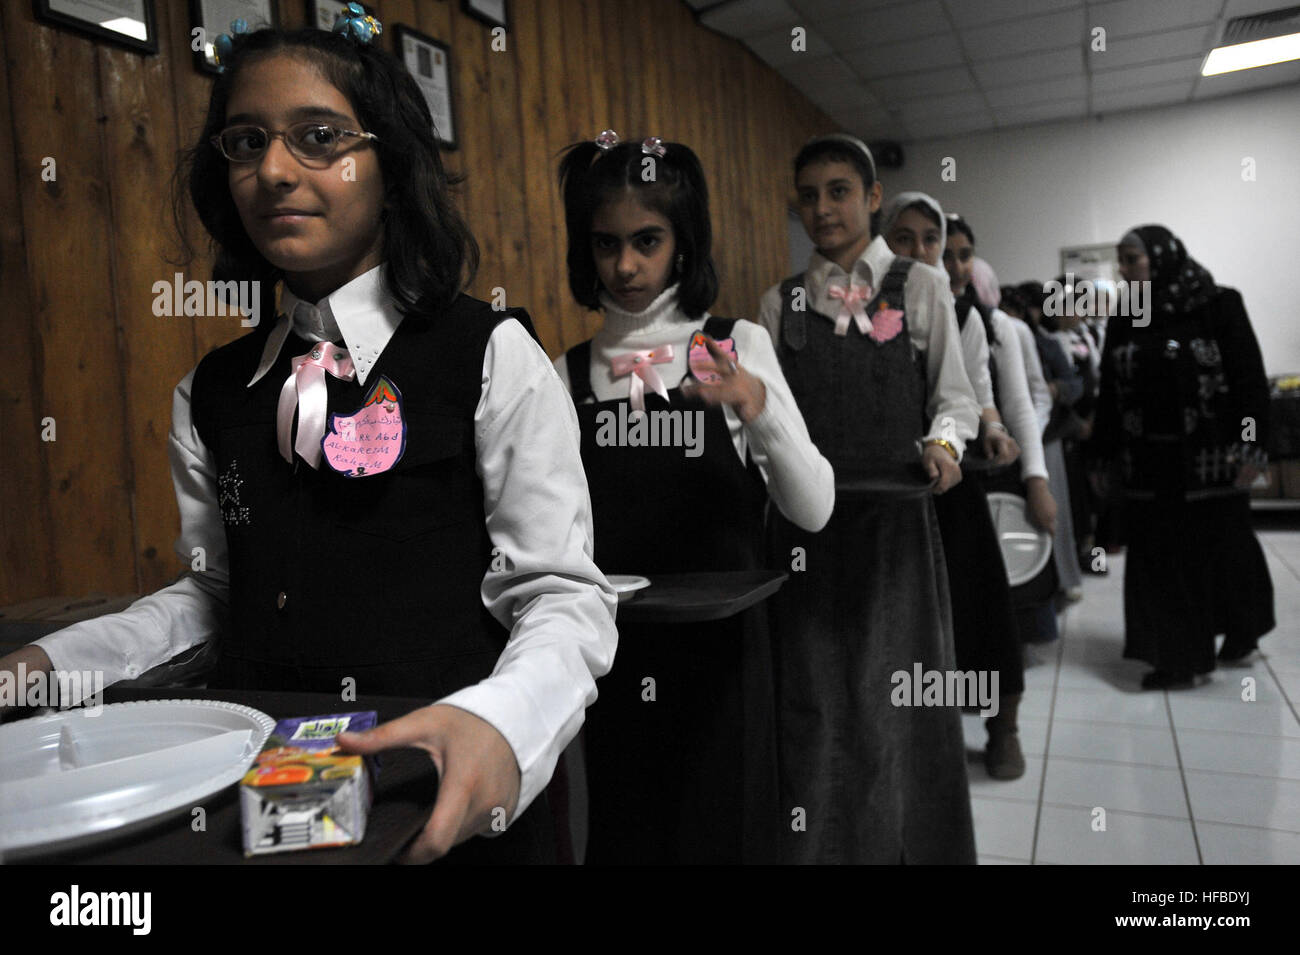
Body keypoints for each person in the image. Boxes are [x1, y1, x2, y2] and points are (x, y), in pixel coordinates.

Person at [0, 13, 618, 863]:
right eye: (246, 141)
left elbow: (562, 594)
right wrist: (52, 659)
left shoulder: (490, 352)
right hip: (264, 799)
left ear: (392, 168)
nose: (274, 170)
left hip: (443, 791)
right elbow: (215, 597)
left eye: (319, 138)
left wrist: (499, 722)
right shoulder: (211, 391)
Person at [553, 132, 833, 863]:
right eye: (606, 243)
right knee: (627, 832)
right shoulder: (566, 371)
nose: (625, 265)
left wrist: (755, 402)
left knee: (725, 830)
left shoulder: (732, 341)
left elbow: (815, 507)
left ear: (684, 241)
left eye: (647, 240)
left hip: (723, 659)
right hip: (613, 655)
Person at [757, 135, 980, 863]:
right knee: (816, 704)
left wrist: (944, 446)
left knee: (899, 700)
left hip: (898, 533)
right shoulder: (778, 302)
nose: (822, 209)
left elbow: (955, 399)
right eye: (810, 195)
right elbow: (769, 426)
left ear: (872, 197)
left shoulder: (919, 286)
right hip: (807, 538)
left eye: (839, 191)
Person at [884, 197, 1054, 780]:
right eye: (904, 240)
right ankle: (914, 732)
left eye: (931, 241)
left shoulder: (966, 316)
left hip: (950, 483)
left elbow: (977, 391)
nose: (923, 254)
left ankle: (1002, 728)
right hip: (886, 490)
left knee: (982, 613)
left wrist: (996, 431)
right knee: (903, 624)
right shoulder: (861, 309)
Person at [1092, 225, 1274, 688]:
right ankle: (1178, 658)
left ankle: (1240, 630)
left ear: (1162, 257)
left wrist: (1253, 447)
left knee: (1225, 552)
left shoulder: (1218, 305)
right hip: (1149, 465)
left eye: (1132, 259)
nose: (1124, 269)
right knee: (1161, 560)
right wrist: (1101, 455)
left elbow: (1250, 382)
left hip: (1213, 461)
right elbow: (1109, 394)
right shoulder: (1126, 316)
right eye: (1122, 261)